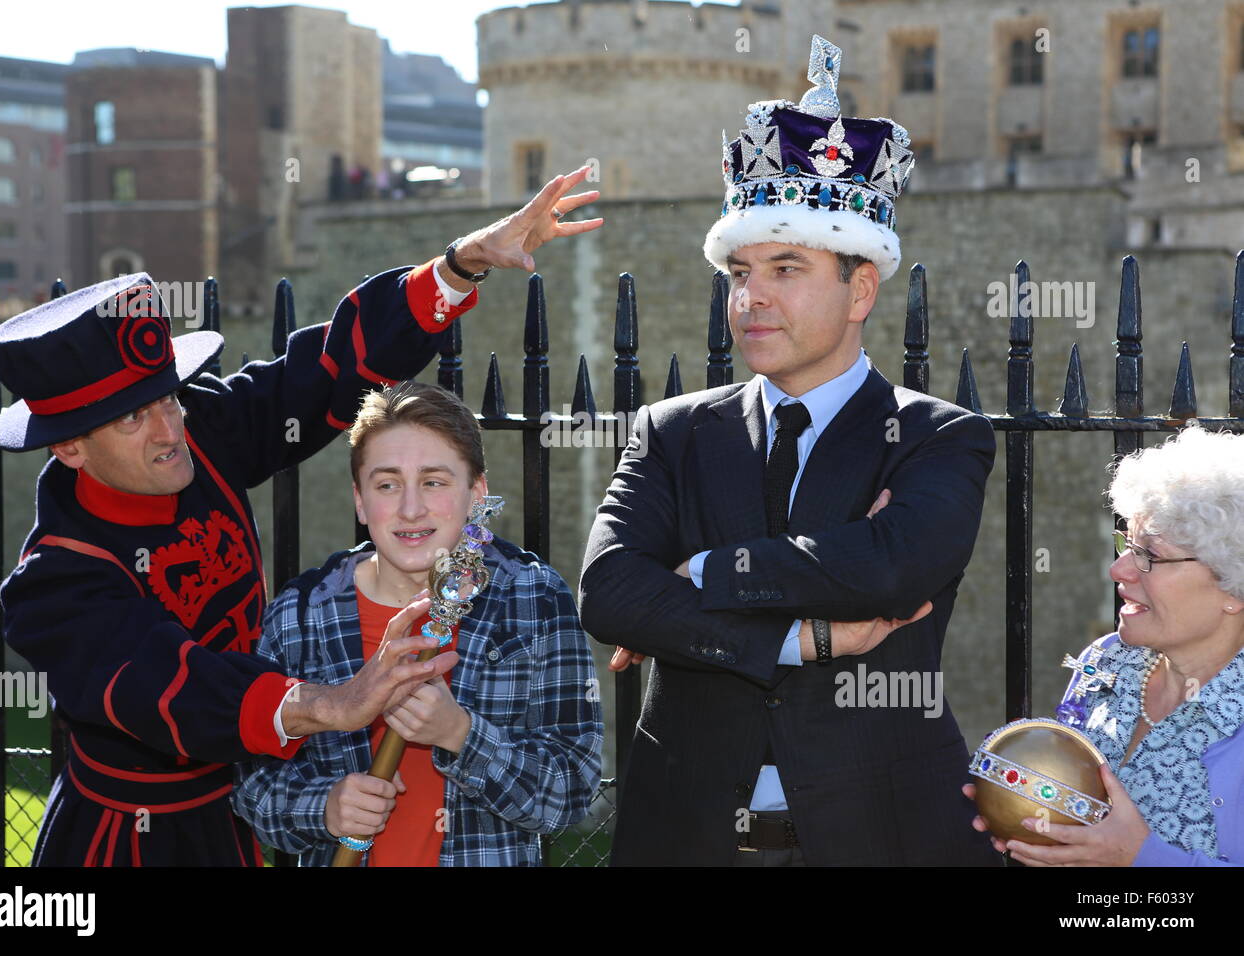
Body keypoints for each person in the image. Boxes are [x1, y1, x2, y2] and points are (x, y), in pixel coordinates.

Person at [0, 169, 602, 866]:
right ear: (70, 446)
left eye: (169, 398)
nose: (168, 429)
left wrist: (461, 266)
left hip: (238, 822)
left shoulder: (198, 433)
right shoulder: (54, 585)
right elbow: (179, 689)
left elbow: (326, 371)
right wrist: (334, 705)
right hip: (130, 840)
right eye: (135, 415)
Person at [579, 36, 999, 866]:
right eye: (738, 271)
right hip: (687, 837)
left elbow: (892, 571)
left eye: (785, 267)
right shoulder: (671, 430)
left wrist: (699, 575)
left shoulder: (939, 436)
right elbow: (608, 592)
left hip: (884, 837)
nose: (750, 297)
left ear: (861, 289)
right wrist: (802, 638)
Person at [233, 381, 603, 865]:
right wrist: (324, 807)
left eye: (434, 481)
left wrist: (461, 734)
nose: (410, 508)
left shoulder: (533, 599)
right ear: (361, 501)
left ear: (477, 494)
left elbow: (572, 789)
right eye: (387, 484)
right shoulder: (303, 614)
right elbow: (249, 783)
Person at [965, 424, 1244, 866]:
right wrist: (1025, 806)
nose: (1119, 570)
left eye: (1149, 555)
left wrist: (1138, 857)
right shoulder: (1108, 661)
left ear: (1233, 586)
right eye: (1125, 544)